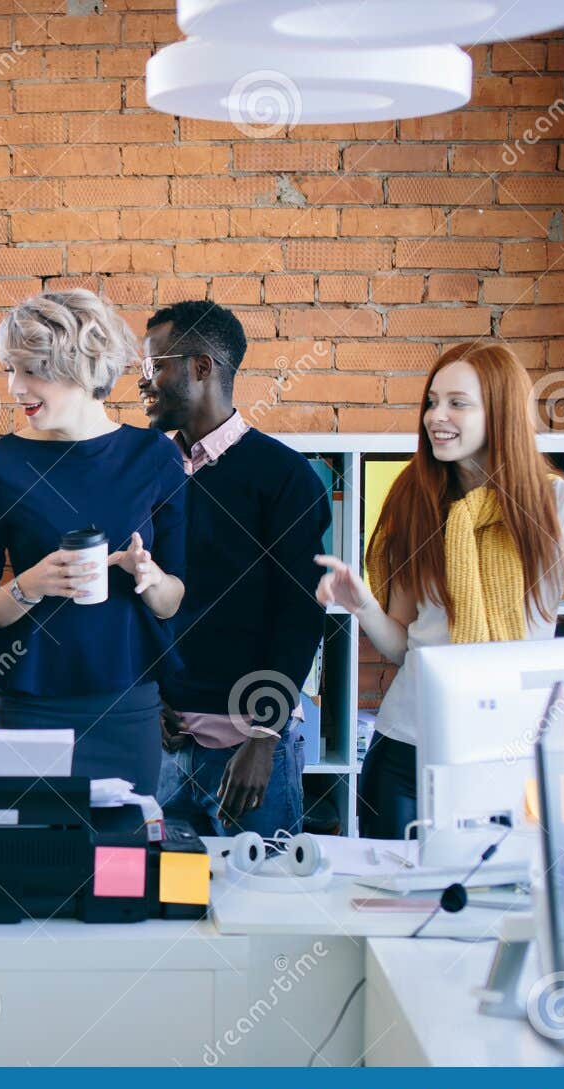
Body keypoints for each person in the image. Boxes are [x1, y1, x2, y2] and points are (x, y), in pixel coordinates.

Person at [316, 340, 564, 839]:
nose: (436, 415)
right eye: (432, 401)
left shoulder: (556, 504)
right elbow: (404, 648)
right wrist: (363, 604)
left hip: (510, 754)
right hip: (406, 754)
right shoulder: (413, 498)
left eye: (458, 402)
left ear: (499, 412)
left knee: (498, 910)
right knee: (396, 909)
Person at [0, 290, 186, 793]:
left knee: (123, 864)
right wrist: (31, 585)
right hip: (31, 705)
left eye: (30, 370)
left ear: (81, 367)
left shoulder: (153, 456)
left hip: (126, 704)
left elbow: (174, 602)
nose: (14, 387)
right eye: (9, 370)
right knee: (32, 863)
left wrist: (149, 578)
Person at [141, 301, 330, 839]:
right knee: (160, 912)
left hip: (250, 750)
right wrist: (147, 696)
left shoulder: (284, 476)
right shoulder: (146, 470)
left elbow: (299, 615)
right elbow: (131, 595)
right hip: (164, 744)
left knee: (258, 908)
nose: (144, 383)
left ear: (201, 367)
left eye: (156, 366)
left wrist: (264, 739)